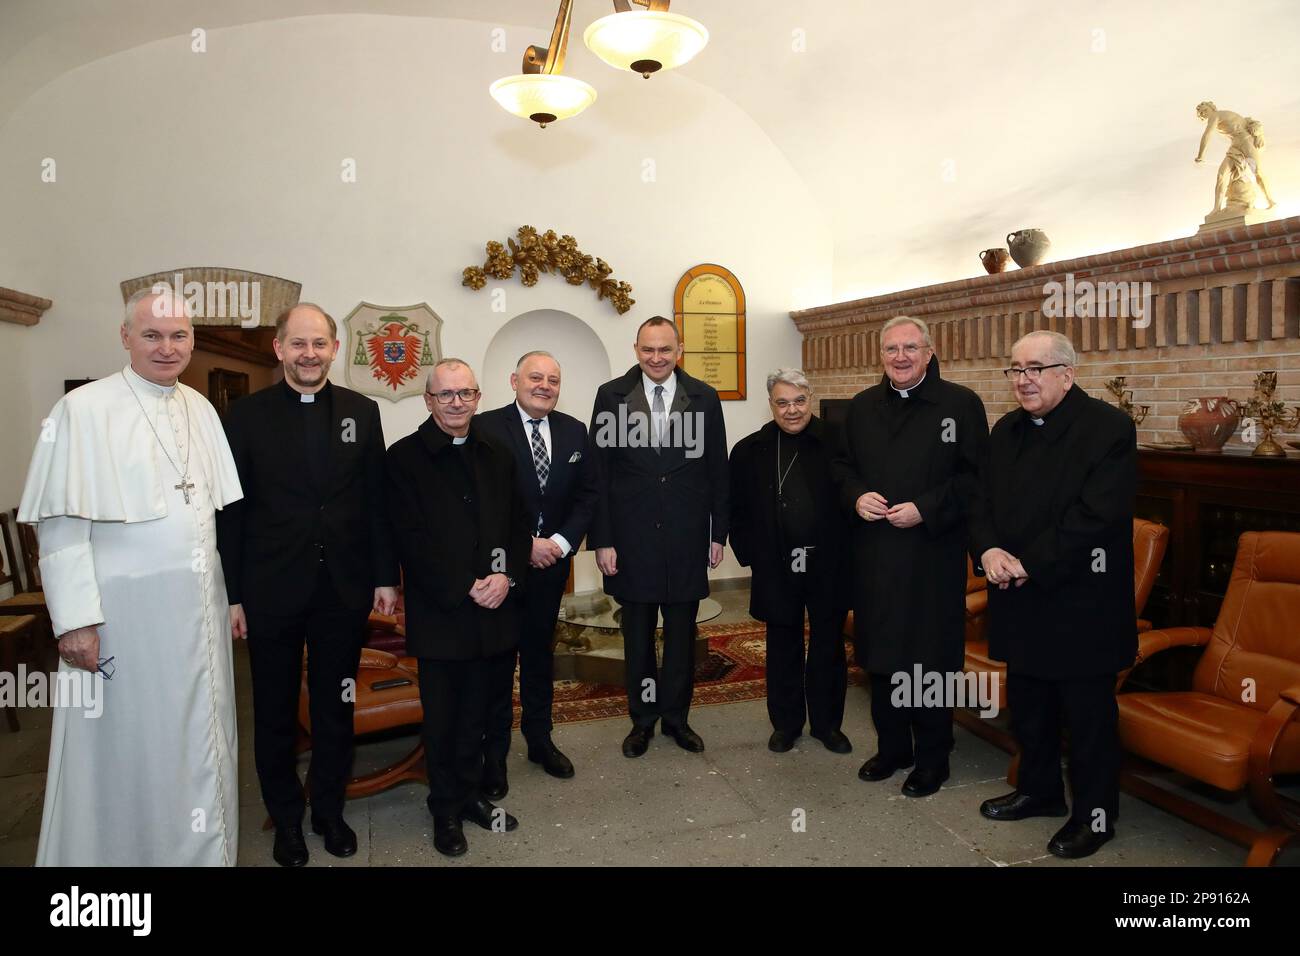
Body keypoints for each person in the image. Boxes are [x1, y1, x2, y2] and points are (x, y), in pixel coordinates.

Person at [17, 288, 243, 866]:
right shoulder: (83, 410)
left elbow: (216, 513)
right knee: (130, 748)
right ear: (125, 338)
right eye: (152, 335)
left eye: (179, 336)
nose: (167, 348)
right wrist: (76, 623)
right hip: (123, 619)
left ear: (192, 340)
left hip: (199, 612)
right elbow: (61, 528)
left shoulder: (200, 407)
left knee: (202, 739)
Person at [216, 303, 398, 867]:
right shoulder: (245, 418)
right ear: (279, 349)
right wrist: (233, 595)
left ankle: (329, 811)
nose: (309, 354)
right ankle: (287, 822)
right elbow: (231, 514)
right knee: (272, 711)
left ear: (334, 349)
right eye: (298, 344)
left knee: (334, 705)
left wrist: (383, 578)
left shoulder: (362, 412)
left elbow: (377, 505)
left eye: (319, 344)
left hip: (340, 591)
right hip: (270, 590)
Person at [971, 330, 1137, 859]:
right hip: (1018, 597)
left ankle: (1096, 817)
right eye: (1015, 370)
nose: (1023, 380)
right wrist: (989, 550)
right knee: (1031, 708)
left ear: (1068, 373)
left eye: (1034, 369)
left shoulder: (1109, 428)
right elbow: (982, 501)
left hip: (1080, 602)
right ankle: (1039, 792)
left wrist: (1027, 563)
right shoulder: (1006, 430)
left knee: (1086, 720)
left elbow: (1096, 516)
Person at [832, 316, 987, 797]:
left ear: (930, 351)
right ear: (881, 355)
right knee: (881, 656)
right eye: (891, 349)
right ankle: (893, 748)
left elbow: (978, 478)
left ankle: (933, 758)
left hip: (932, 556)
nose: (900, 357)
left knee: (930, 659)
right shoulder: (860, 408)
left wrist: (926, 508)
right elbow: (839, 467)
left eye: (910, 348)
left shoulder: (960, 405)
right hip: (876, 554)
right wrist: (856, 496)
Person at [386, 359, 530, 857]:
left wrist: (505, 576)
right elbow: (409, 538)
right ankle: (444, 809)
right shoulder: (403, 459)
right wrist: (466, 584)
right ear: (428, 401)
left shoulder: (498, 452)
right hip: (443, 612)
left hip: (495, 608)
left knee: (485, 712)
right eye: (445, 395)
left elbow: (517, 523)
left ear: (478, 397)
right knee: (445, 717)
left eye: (465, 393)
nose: (455, 403)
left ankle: (472, 796)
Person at [588, 316, 728, 758]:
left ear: (679, 349)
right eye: (648, 350)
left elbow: (717, 470)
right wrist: (603, 540)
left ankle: (677, 720)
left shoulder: (704, 397)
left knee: (682, 637)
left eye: (665, 349)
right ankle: (642, 721)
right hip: (632, 541)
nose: (656, 358)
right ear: (636, 349)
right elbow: (599, 473)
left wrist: (717, 532)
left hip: (687, 536)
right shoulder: (610, 396)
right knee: (639, 638)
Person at [475, 351, 597, 795]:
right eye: (535, 377)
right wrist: (522, 545)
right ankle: (494, 756)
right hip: (501, 569)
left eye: (552, 379)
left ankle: (540, 740)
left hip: (551, 567)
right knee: (498, 661)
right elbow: (481, 501)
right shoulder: (485, 428)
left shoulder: (574, 431)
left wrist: (561, 544)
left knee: (540, 656)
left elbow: (588, 496)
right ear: (514, 380)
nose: (544, 385)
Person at [729, 369, 852, 754]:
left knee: (828, 646)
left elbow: (853, 498)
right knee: (782, 646)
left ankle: (827, 725)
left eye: (799, 401)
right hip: (776, 565)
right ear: (771, 405)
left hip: (828, 563)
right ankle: (785, 724)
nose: (792, 410)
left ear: (810, 398)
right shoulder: (750, 449)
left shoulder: (839, 442)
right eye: (783, 402)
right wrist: (752, 557)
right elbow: (737, 509)